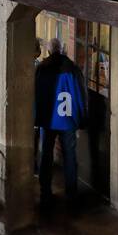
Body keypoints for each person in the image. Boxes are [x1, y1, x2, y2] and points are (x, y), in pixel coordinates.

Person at [34, 37, 88, 208]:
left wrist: (36, 117)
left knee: (46, 155)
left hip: (48, 120)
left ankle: (45, 193)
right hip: (68, 120)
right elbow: (80, 95)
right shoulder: (72, 69)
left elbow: (36, 95)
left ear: (49, 51)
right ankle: (71, 195)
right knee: (70, 157)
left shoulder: (42, 68)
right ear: (62, 49)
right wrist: (81, 118)